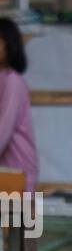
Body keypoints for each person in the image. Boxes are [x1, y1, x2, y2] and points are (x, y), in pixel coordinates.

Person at [0, 18, 38, 193]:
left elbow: (3, 130)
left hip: (17, 173)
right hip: (5, 174)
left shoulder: (13, 81)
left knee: (17, 220)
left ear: (10, 45)